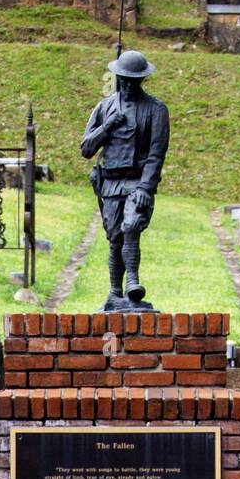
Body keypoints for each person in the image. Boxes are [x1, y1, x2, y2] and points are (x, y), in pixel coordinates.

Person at [80, 50, 170, 311]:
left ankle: (133, 282)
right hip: (109, 184)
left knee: (131, 226)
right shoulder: (104, 107)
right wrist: (107, 126)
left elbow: (156, 153)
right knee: (115, 238)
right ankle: (115, 292)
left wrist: (145, 187)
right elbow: (86, 148)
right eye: (124, 79)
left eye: (134, 80)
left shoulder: (155, 110)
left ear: (142, 80)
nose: (128, 85)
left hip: (136, 182)